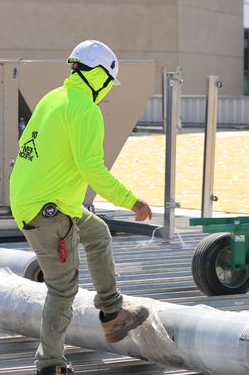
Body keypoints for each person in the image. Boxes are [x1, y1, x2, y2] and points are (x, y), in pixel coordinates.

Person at [9, 40, 154, 375]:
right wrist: (131, 201)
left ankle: (112, 315)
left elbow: (28, 149)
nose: (107, 90)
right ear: (99, 76)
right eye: (108, 83)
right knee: (63, 287)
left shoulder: (53, 98)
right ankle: (50, 363)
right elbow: (93, 170)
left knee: (97, 232)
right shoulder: (85, 109)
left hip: (41, 199)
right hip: (47, 210)